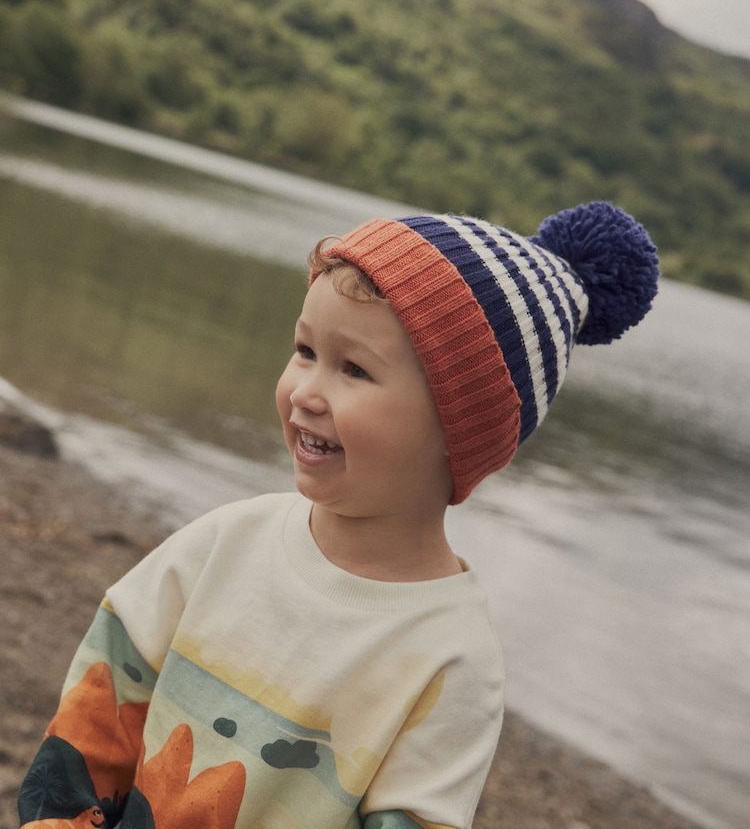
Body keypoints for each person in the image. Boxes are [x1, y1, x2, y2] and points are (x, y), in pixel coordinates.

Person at [18, 202, 659, 829]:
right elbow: (104, 700)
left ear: (460, 430)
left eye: (353, 368)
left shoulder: (448, 659)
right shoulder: (227, 541)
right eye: (304, 350)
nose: (305, 391)